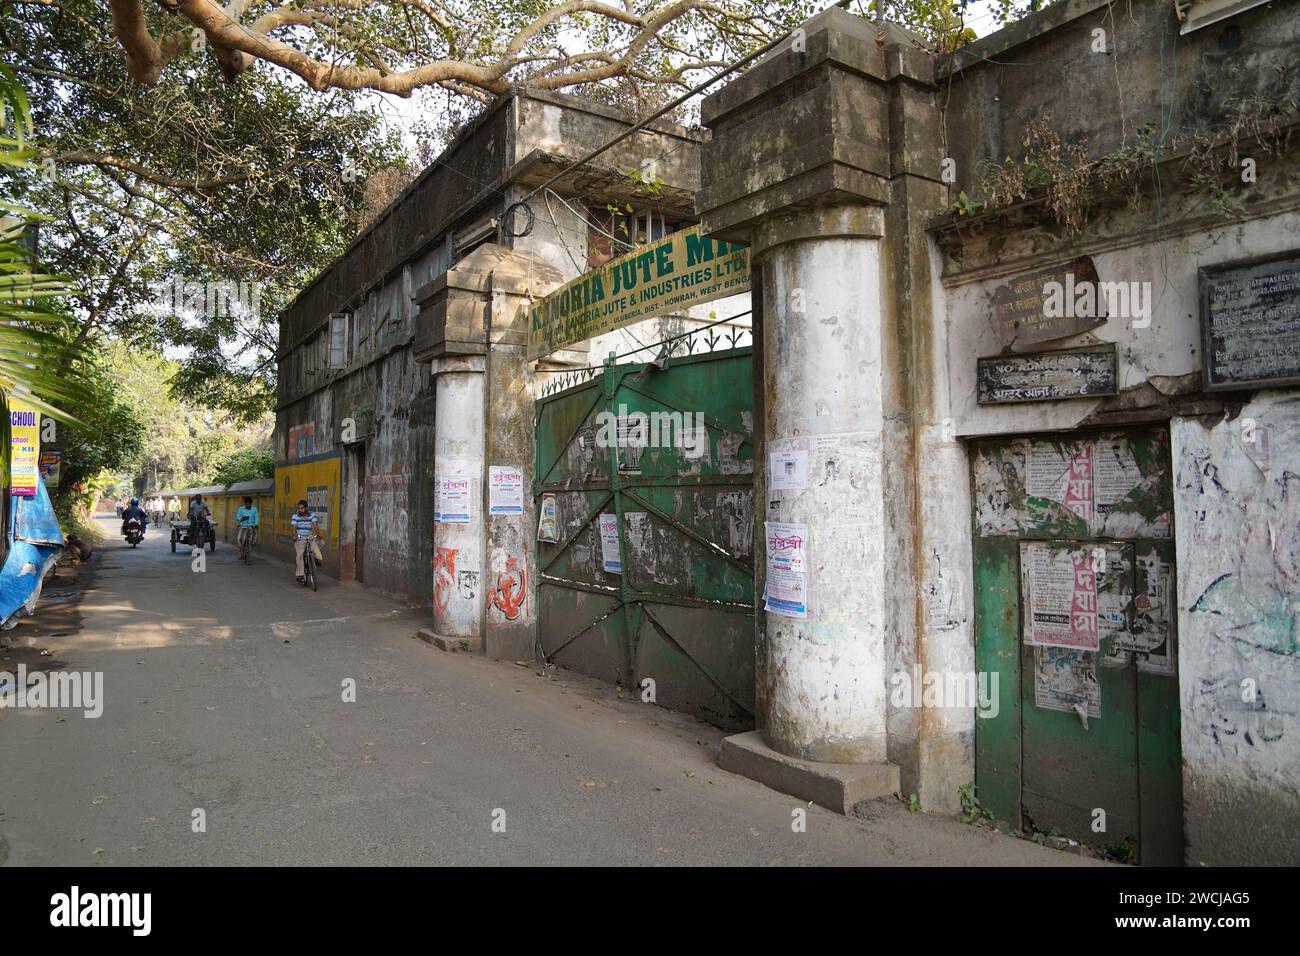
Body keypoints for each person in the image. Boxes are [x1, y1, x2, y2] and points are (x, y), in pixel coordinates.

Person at [290, 499, 320, 581]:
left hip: (309, 536)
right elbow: (293, 528)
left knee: (318, 546)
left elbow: (315, 525)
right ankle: (300, 574)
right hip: (300, 537)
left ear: (306, 508)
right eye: (299, 508)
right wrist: (294, 536)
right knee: (300, 554)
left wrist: (318, 534)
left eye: (302, 508)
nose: (300, 510)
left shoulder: (312, 515)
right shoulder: (295, 516)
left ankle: (316, 559)